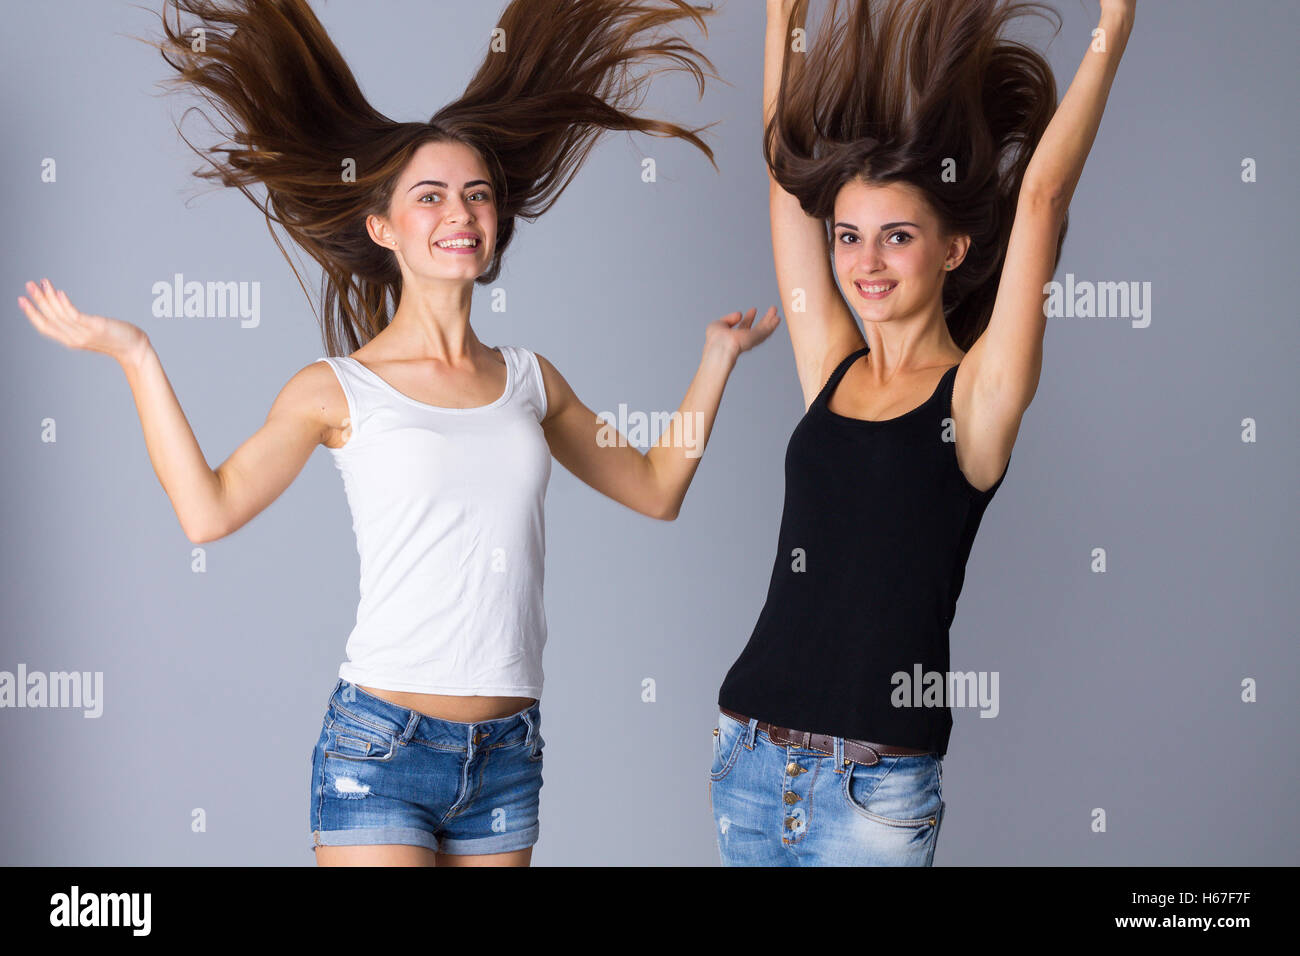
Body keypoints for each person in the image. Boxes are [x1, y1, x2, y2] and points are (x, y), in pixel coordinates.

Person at [18, 0, 778, 867]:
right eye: (431, 197)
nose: (460, 211)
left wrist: (717, 361)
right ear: (383, 229)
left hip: (508, 754)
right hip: (380, 748)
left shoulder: (530, 379)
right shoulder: (337, 388)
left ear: (494, 230)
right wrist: (137, 354)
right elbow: (207, 510)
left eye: (477, 195)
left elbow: (655, 488)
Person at [709, 0, 1132, 865]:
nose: (865, 262)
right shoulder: (829, 366)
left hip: (876, 790)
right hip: (747, 760)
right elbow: (786, 193)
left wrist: (1112, 28)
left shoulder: (977, 397)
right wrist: (781, 24)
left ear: (952, 249)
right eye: (851, 237)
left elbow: (1043, 200)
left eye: (897, 237)